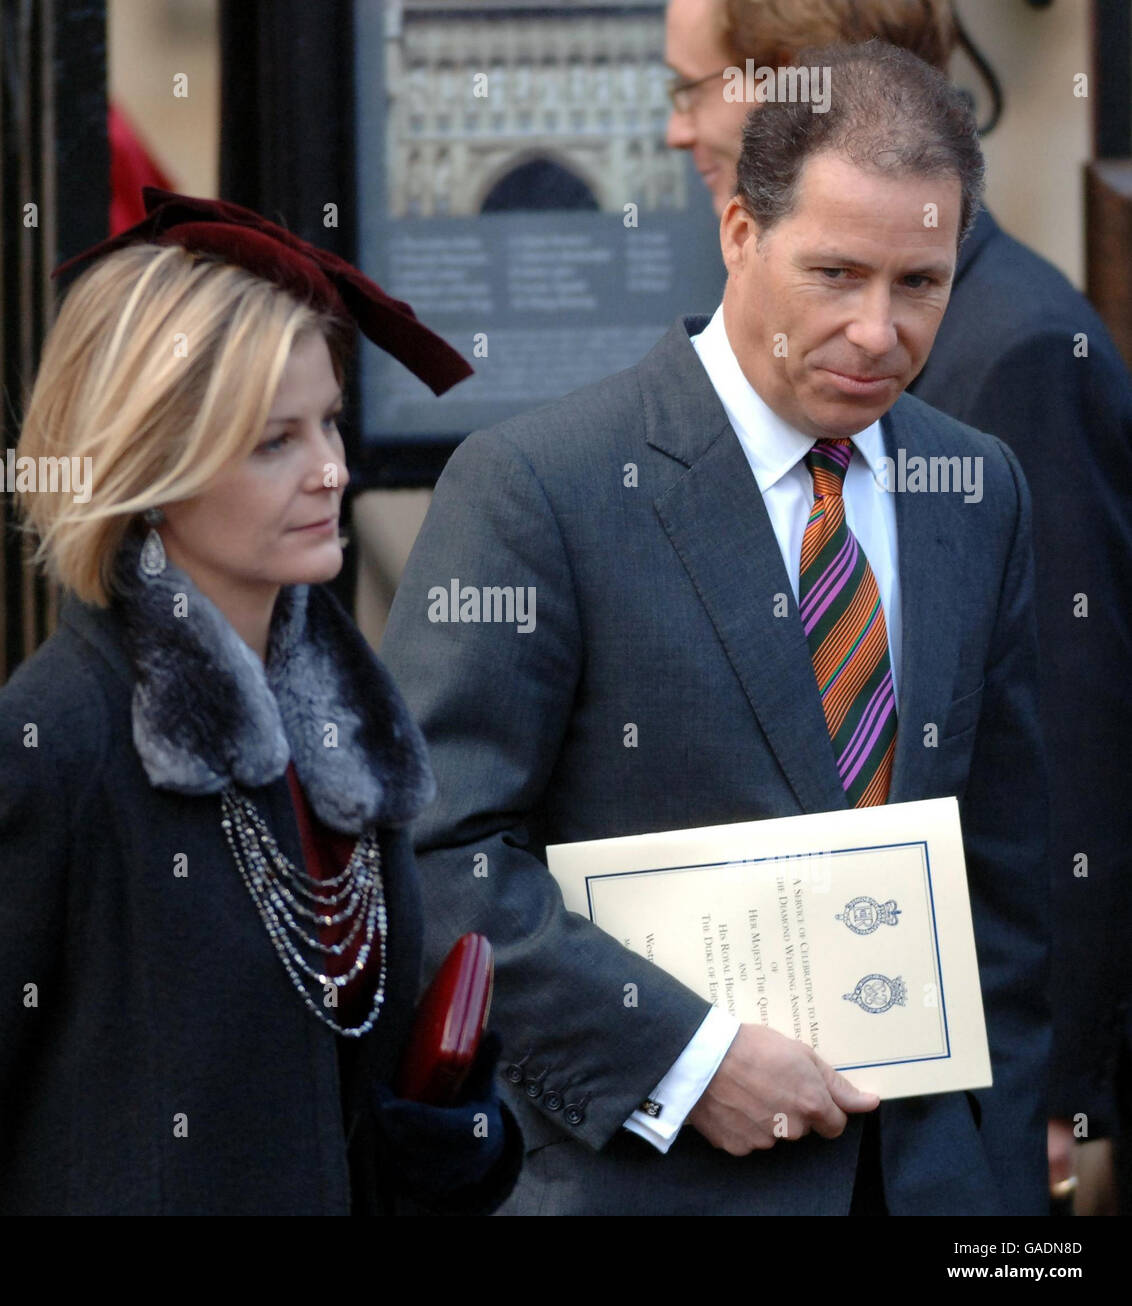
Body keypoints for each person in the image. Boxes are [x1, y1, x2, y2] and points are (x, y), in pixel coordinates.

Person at [380, 42, 1049, 1215]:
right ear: (739, 233)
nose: (879, 330)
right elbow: (436, 853)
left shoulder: (976, 486)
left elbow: (1001, 869)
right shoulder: (539, 485)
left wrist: (1000, 1176)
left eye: (920, 283)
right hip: (648, 1181)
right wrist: (682, 1062)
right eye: (835, 273)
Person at [0, 190, 521, 1216]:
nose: (331, 470)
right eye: (272, 441)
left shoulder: (350, 726)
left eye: (328, 420)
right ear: (150, 467)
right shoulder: (44, 747)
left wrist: (456, 1134)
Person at [664, 0, 1132, 1206]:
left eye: (694, 85)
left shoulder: (1007, 357)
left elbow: (1062, 766)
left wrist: (1046, 1099)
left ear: (780, 92)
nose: (677, 128)